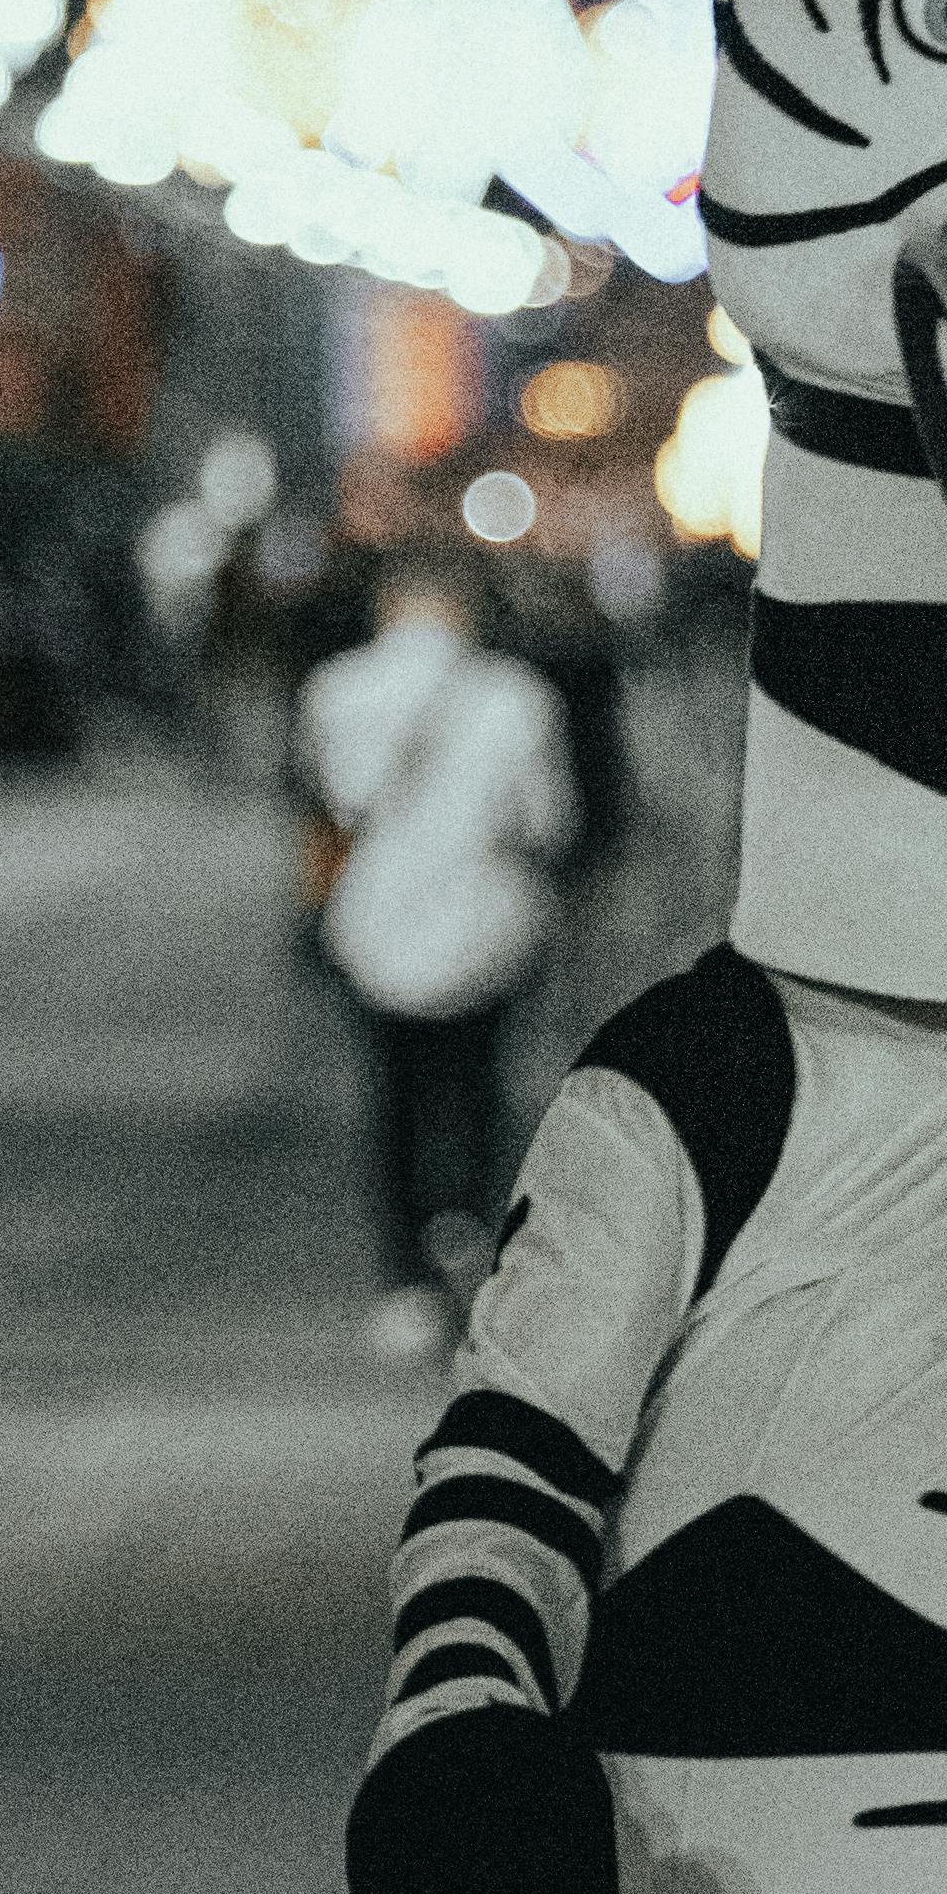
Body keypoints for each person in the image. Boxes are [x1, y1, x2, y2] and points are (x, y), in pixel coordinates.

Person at [296, 559, 578, 1356]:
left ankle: (406, 1278)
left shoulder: (335, 689)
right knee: (479, 1084)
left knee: (393, 1094)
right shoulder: (520, 698)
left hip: (378, 923)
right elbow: (547, 822)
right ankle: (471, 1227)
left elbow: (332, 804)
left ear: (388, 610)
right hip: (485, 923)